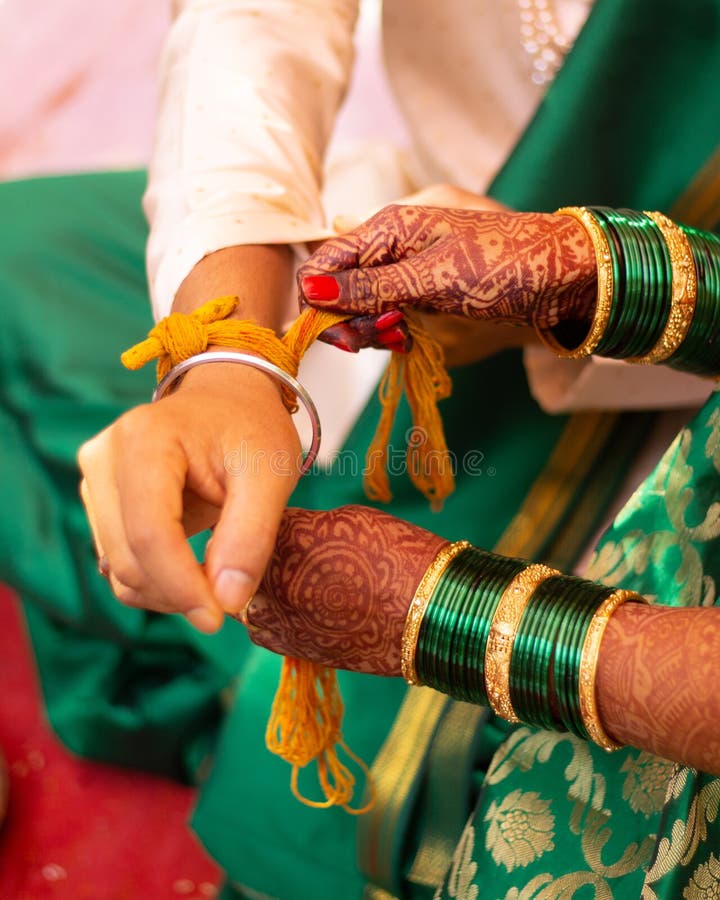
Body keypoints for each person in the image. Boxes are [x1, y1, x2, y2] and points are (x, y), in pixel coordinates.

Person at [3, 0, 720, 897]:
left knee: (343, 810)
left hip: (671, 424)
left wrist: (440, 615)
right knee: (15, 260)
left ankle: (228, 686)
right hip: (411, 245)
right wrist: (223, 356)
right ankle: (221, 671)